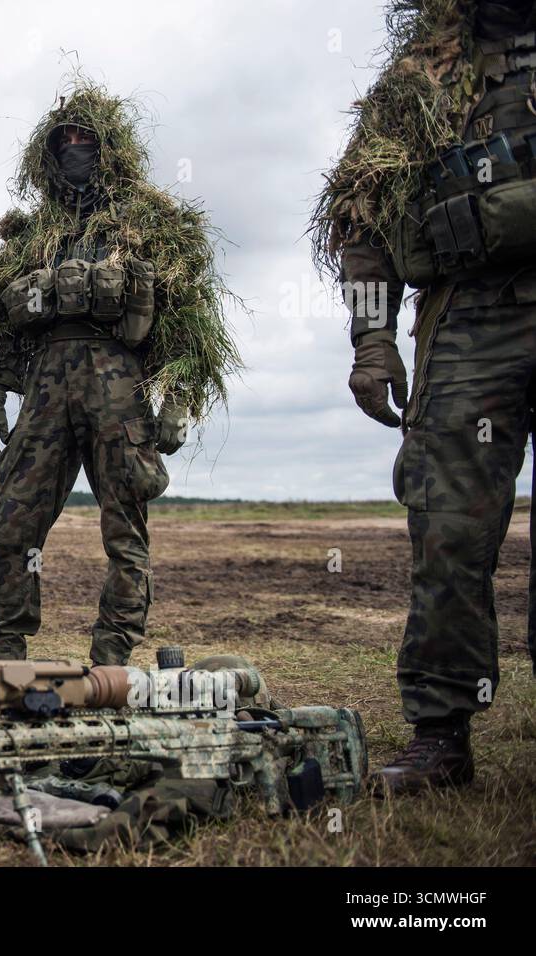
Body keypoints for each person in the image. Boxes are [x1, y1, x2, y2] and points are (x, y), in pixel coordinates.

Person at [316, 0, 536, 794]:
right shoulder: (419, 79)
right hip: (465, 320)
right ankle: (441, 734)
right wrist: (373, 343)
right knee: (445, 524)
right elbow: (365, 220)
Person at [0, 77, 238, 671]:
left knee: (125, 534)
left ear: (108, 147)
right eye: (65, 140)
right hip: (45, 391)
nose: (75, 148)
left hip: (120, 389)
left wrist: (178, 401)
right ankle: (5, 659)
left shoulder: (148, 224)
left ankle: (111, 661)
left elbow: (188, 322)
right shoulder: (31, 237)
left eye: (86, 138)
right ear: (49, 154)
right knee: (15, 521)